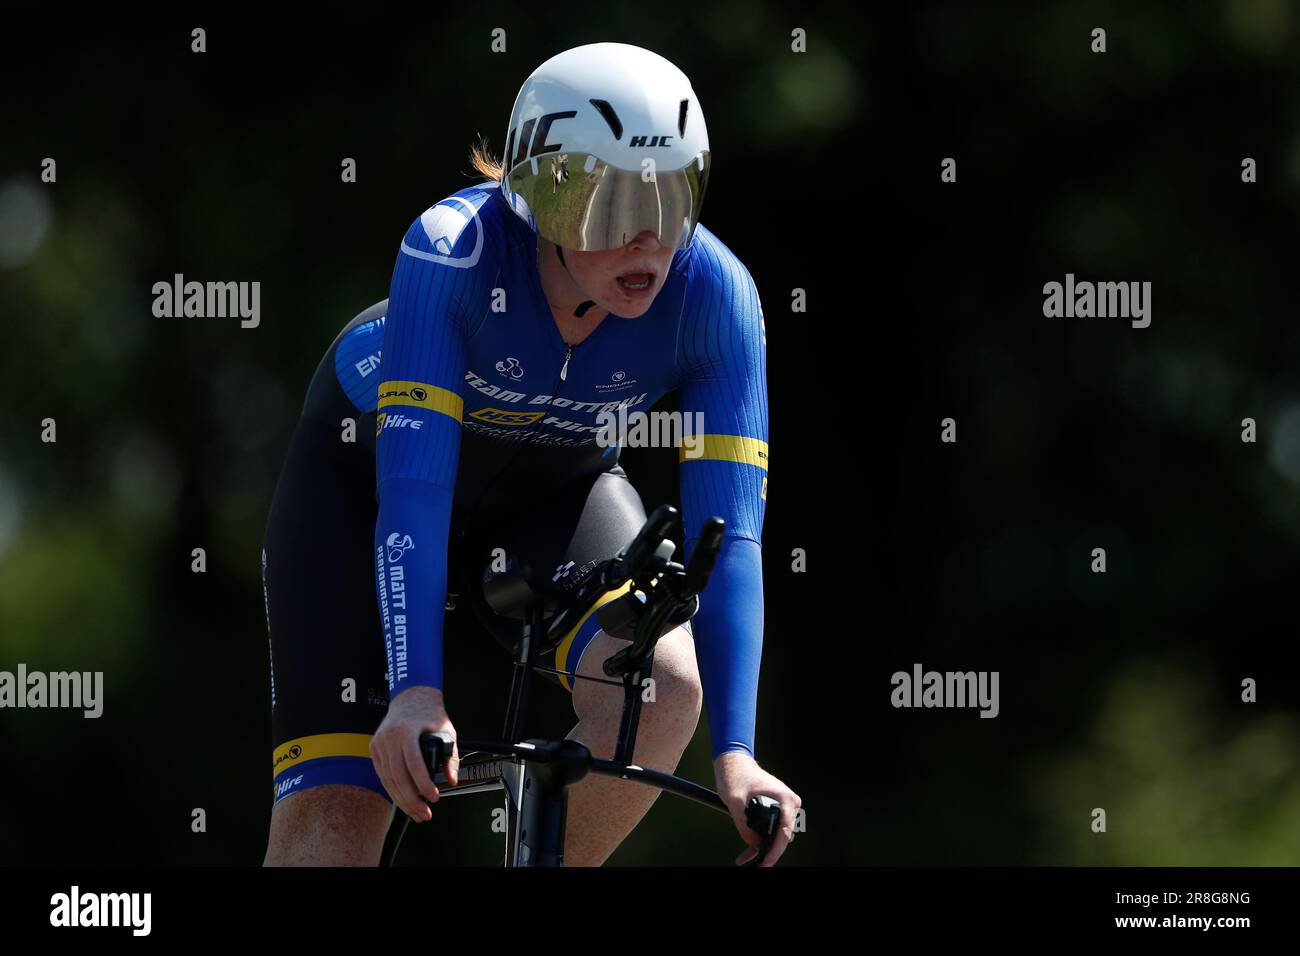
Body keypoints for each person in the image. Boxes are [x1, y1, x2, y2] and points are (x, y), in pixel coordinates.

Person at [261, 41, 799, 866]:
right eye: (617, 204)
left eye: (675, 194)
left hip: (557, 487)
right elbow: (413, 490)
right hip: (371, 482)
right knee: (334, 825)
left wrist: (736, 752)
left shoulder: (716, 295)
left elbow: (731, 537)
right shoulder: (455, 252)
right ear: (546, 193)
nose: (651, 240)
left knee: (663, 695)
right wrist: (413, 695)